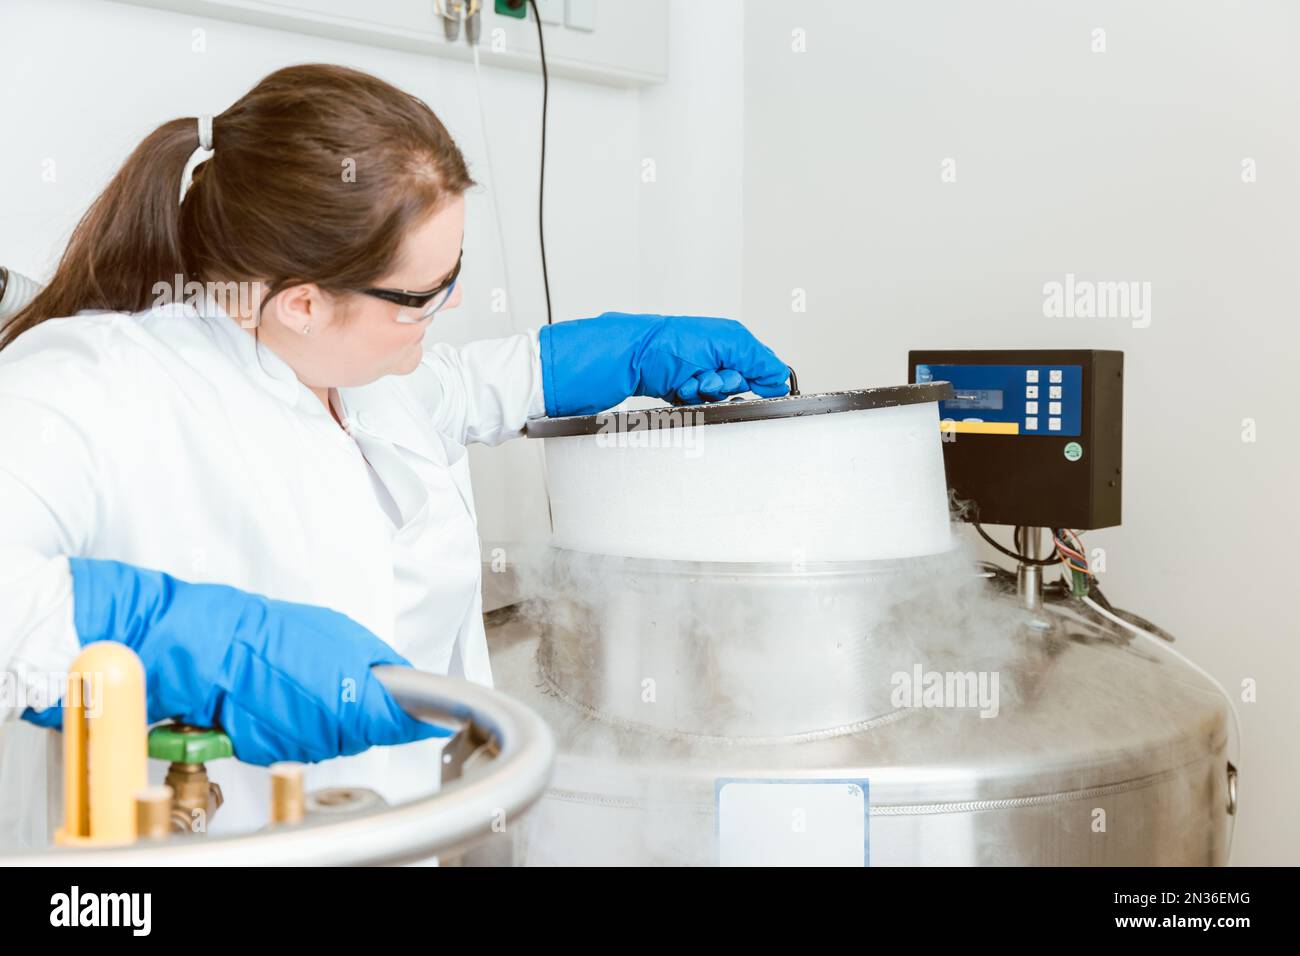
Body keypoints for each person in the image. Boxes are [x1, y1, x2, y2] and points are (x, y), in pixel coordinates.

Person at [0, 63, 790, 845]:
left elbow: (461, 385)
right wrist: (213, 650)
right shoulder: (99, 382)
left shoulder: (355, 376)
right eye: (424, 295)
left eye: (454, 276)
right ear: (303, 302)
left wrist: (621, 355)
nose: (446, 308)